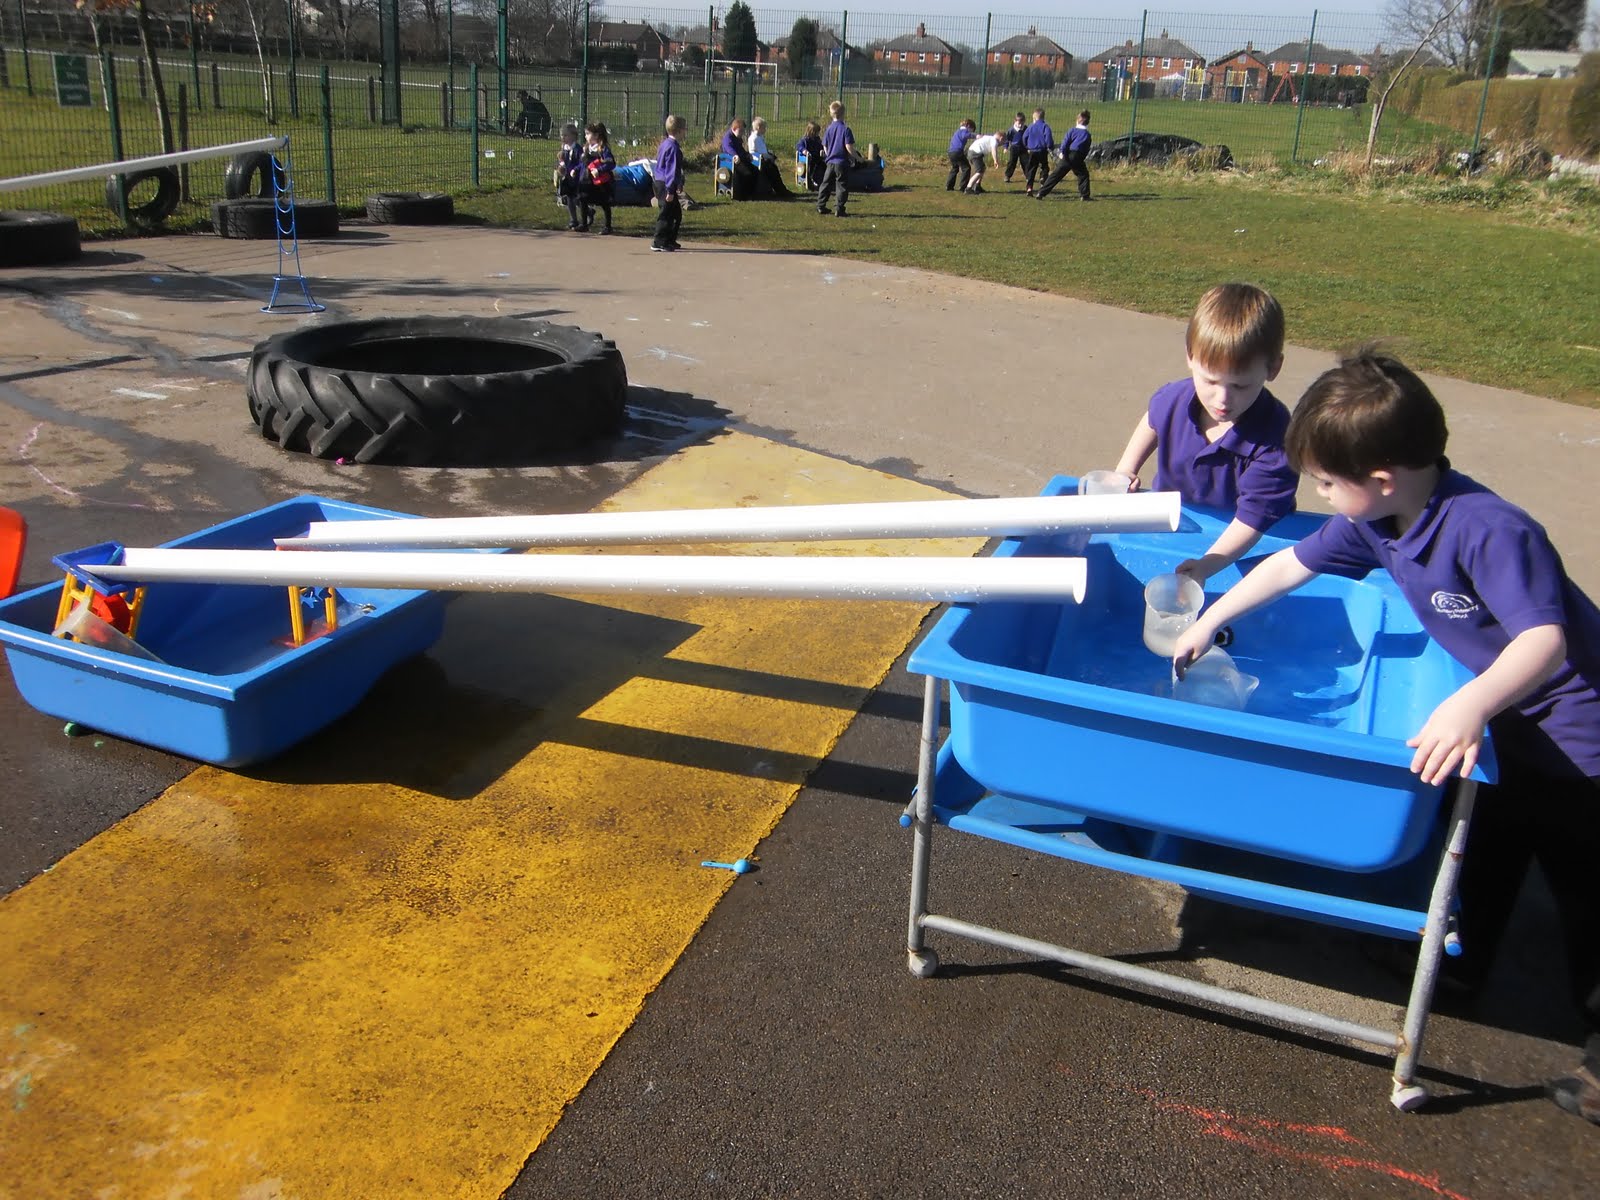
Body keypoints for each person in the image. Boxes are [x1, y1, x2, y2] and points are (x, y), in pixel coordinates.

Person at [1169, 348, 1600, 1128]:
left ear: (1381, 477)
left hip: (1579, 745)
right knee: (1485, 855)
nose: (1322, 497)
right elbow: (1291, 566)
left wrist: (1470, 704)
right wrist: (1214, 615)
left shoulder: (1490, 530)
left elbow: (1546, 643)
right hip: (1509, 732)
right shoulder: (1379, 522)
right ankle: (1459, 971)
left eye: (1328, 483)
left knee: (1587, 897)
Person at [1111, 282, 1296, 583]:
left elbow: (1254, 519)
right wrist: (1126, 467)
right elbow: (1153, 420)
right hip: (1176, 523)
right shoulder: (1175, 398)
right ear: (1190, 356)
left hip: (1247, 544)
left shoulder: (1275, 439)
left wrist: (1208, 564)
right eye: (1210, 381)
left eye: (1240, 385)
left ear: (1273, 369)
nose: (1222, 399)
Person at [1036, 109, 1093, 201]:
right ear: (1087, 123)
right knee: (1083, 175)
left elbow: (1065, 142)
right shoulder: (1087, 134)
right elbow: (1086, 148)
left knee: (1056, 175)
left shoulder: (1072, 130)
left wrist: (1062, 152)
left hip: (1067, 154)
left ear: (1077, 121)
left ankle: (1041, 193)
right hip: (1077, 156)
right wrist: (1081, 159)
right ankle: (1084, 195)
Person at [652, 114, 687, 252]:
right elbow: (671, 170)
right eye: (684, 129)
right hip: (665, 184)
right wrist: (671, 190)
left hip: (661, 181)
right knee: (666, 214)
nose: (686, 132)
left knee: (676, 213)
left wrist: (678, 183)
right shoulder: (673, 148)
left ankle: (670, 239)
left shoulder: (665, 144)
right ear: (678, 131)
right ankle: (658, 241)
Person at [816, 100, 855, 218]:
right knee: (841, 185)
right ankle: (839, 208)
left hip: (830, 162)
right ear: (843, 114)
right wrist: (856, 157)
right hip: (841, 162)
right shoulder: (846, 129)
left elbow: (825, 145)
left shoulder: (829, 129)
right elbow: (848, 147)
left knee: (825, 184)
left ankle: (821, 205)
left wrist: (828, 155)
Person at [578, 121, 615, 234]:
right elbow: (582, 164)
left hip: (601, 182)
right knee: (582, 199)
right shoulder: (586, 149)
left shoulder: (603, 149)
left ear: (596, 135)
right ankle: (584, 224)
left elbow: (611, 163)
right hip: (587, 181)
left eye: (588, 134)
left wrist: (599, 170)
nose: (586, 136)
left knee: (604, 203)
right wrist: (576, 170)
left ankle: (608, 226)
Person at [747, 116, 793, 199]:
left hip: (764, 159)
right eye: (764, 128)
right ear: (758, 127)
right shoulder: (753, 138)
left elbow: (763, 150)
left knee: (774, 169)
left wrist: (770, 154)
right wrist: (765, 157)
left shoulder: (760, 137)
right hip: (758, 161)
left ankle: (781, 189)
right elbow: (753, 152)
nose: (765, 130)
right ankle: (780, 190)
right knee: (772, 170)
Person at [554, 123, 583, 231]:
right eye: (562, 135)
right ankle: (573, 220)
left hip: (576, 178)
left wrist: (575, 170)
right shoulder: (564, 149)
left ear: (573, 136)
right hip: (567, 178)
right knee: (569, 198)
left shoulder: (577, 149)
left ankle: (587, 212)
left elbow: (581, 163)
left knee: (576, 199)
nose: (563, 138)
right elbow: (562, 162)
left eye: (566, 135)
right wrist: (560, 167)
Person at [720, 118, 758, 201]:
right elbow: (729, 148)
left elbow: (741, 150)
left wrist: (747, 154)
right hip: (730, 161)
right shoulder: (728, 138)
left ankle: (752, 193)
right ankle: (743, 195)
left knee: (755, 170)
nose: (742, 134)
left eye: (743, 132)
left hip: (740, 160)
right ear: (733, 129)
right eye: (740, 131)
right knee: (746, 173)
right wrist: (735, 155)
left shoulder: (737, 138)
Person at [1021, 108, 1054, 196]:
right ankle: (1043, 178)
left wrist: (1027, 146)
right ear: (1043, 118)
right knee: (1044, 166)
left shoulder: (1031, 127)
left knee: (1031, 168)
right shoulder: (1045, 127)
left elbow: (1024, 137)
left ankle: (1029, 188)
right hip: (1042, 150)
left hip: (1032, 151)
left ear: (1034, 118)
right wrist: (1050, 146)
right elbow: (1048, 138)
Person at [964, 129, 1002, 194]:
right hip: (975, 153)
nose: (1002, 144)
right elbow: (994, 150)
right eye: (1003, 142)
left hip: (971, 152)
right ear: (1001, 138)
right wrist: (995, 160)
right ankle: (968, 188)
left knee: (982, 168)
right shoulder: (994, 140)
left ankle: (977, 186)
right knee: (979, 171)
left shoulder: (988, 137)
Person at [946, 118, 976, 191]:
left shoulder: (957, 131)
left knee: (955, 168)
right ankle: (963, 186)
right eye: (972, 130)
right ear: (968, 126)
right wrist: (976, 136)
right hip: (957, 152)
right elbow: (964, 135)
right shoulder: (963, 131)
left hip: (951, 152)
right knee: (966, 168)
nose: (971, 132)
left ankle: (949, 186)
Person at [796, 121, 825, 191]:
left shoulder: (817, 140)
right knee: (812, 165)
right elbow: (799, 146)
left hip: (817, 157)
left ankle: (822, 180)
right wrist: (804, 151)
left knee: (823, 165)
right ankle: (811, 180)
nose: (818, 134)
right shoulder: (805, 140)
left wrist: (822, 150)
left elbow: (821, 146)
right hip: (808, 158)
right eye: (817, 132)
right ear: (812, 132)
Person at [1003, 112, 1028, 182]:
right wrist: (1006, 147)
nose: (1020, 125)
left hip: (1023, 148)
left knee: (1026, 162)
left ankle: (1028, 176)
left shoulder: (1026, 129)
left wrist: (1029, 146)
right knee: (1012, 162)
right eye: (1018, 123)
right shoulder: (1011, 130)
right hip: (1014, 147)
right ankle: (1007, 176)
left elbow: (1028, 137)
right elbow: (1007, 139)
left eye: (1022, 123)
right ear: (1015, 121)